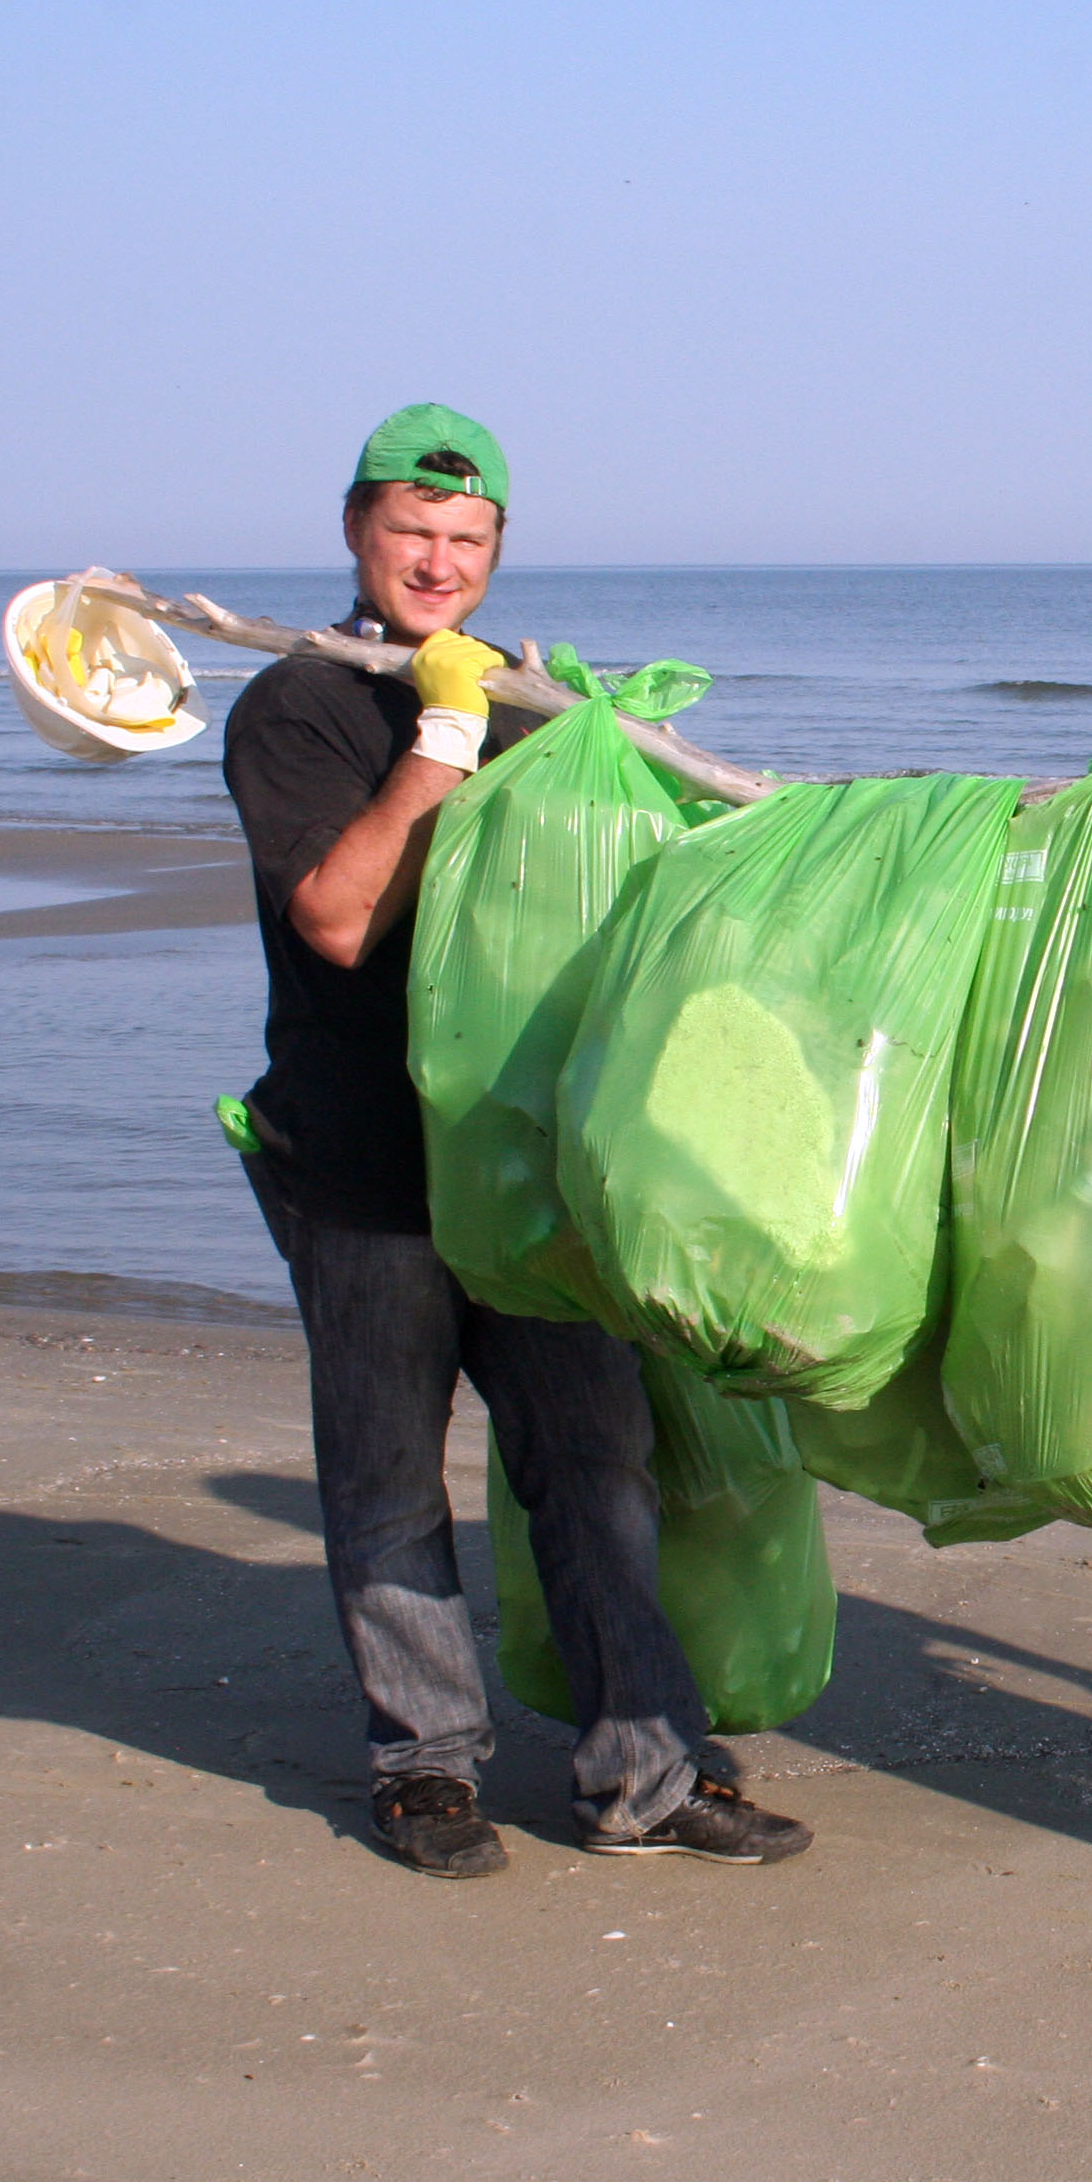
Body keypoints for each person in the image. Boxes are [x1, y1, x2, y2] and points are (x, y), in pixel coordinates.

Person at [219, 403, 809, 1877]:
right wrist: (439, 738)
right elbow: (340, 916)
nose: (437, 560)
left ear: (497, 550)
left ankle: (646, 1774)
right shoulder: (301, 706)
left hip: (525, 1167)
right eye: (411, 531)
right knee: (385, 1481)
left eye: (465, 538)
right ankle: (424, 1766)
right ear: (357, 531)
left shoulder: (540, 714)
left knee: (597, 1464)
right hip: (363, 1167)